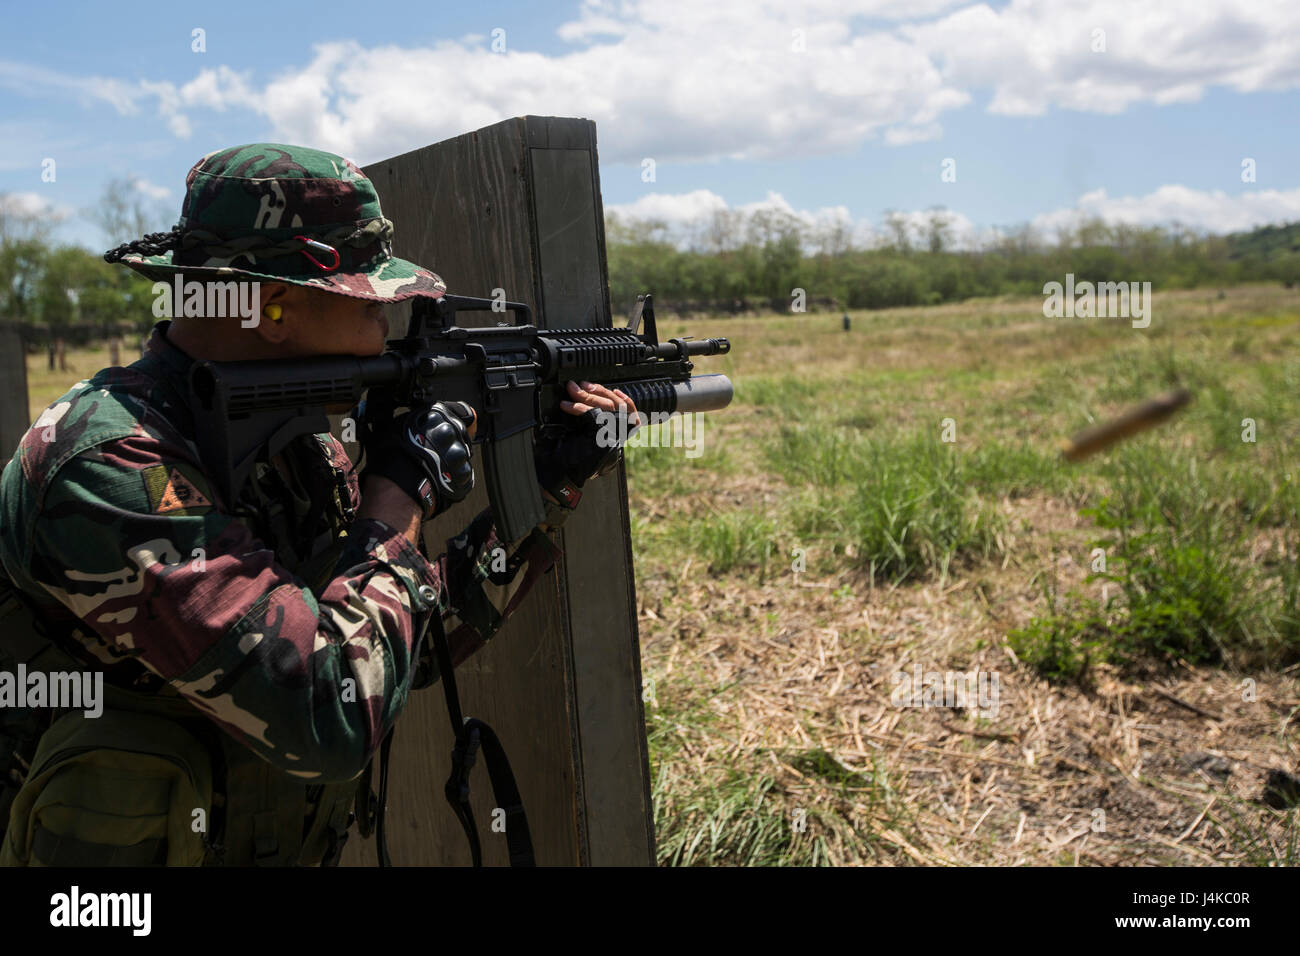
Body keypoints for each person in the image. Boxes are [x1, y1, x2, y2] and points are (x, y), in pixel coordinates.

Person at [0, 143, 638, 866]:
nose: (385, 328)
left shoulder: (298, 447)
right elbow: (327, 715)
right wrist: (396, 497)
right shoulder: (112, 465)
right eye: (370, 304)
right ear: (274, 306)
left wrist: (550, 485)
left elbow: (387, 654)